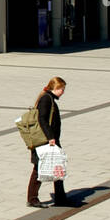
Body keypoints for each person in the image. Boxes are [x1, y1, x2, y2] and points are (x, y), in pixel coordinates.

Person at [27, 77, 67, 208]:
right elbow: (42, 119)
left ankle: (61, 197)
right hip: (45, 141)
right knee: (38, 169)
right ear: (55, 88)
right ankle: (32, 198)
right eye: (62, 89)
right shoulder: (46, 99)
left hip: (50, 140)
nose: (63, 92)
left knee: (57, 167)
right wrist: (50, 137)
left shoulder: (48, 98)